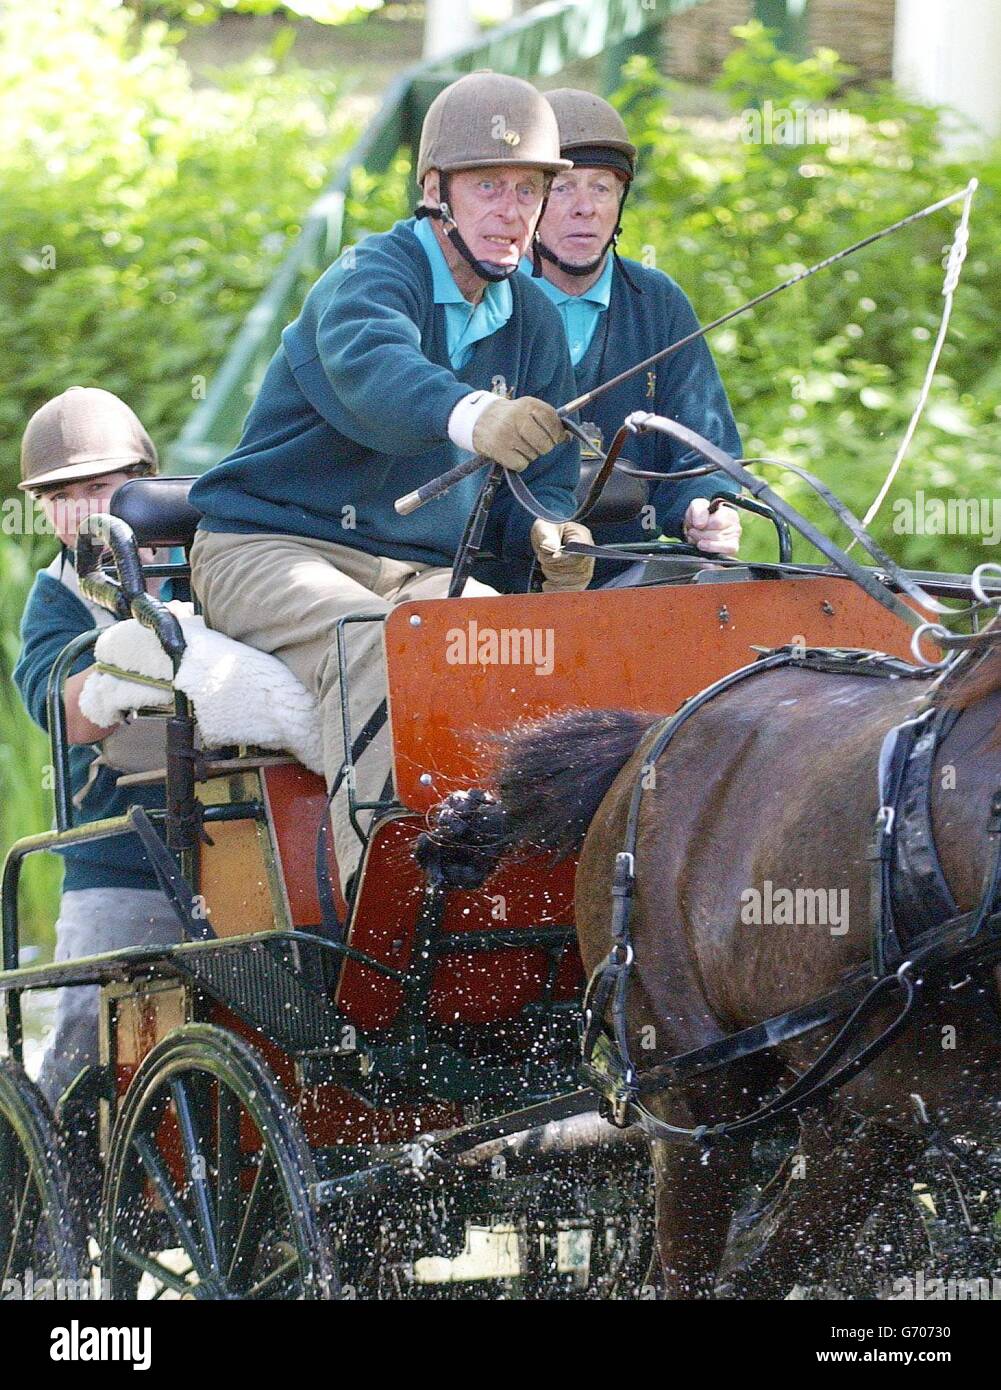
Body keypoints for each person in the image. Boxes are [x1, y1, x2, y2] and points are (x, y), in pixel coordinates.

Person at [188, 72, 594, 901]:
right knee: (380, 640)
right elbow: (375, 373)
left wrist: (553, 538)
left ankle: (522, 902)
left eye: (528, 190)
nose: (512, 211)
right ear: (434, 191)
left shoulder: (536, 321)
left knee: (521, 649)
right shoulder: (370, 275)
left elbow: (540, 485)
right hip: (264, 545)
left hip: (411, 568)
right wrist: (473, 412)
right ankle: (382, 905)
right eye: (488, 187)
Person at [12, 386, 183, 1110]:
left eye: (101, 486)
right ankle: (57, 1213)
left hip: (243, 840)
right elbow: (63, 710)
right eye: (60, 495)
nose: (82, 509)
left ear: (144, 477)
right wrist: (130, 656)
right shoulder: (56, 597)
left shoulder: (210, 555)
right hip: (118, 860)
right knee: (87, 1054)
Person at [518, 88, 744, 587]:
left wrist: (704, 510)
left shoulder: (656, 301)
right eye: (563, 189)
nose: (585, 209)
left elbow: (704, 451)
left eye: (601, 188)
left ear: (621, 201)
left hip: (627, 569)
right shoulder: (492, 298)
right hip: (507, 570)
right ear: (528, 200)